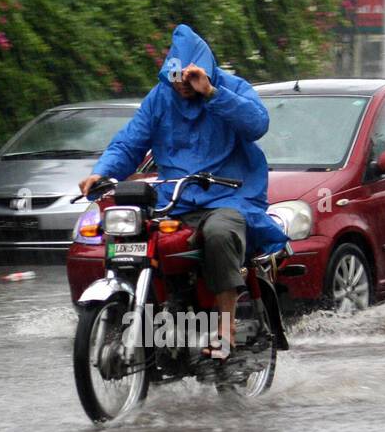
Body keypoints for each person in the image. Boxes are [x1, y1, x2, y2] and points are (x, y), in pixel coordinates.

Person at [79, 24, 287, 359]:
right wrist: (102, 172)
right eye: (178, 77)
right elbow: (131, 141)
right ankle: (149, 316)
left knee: (220, 233)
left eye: (190, 77)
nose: (183, 85)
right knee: (137, 236)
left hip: (229, 196)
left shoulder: (231, 88)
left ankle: (225, 330)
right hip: (174, 200)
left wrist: (212, 93)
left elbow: (256, 124)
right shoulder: (159, 98)